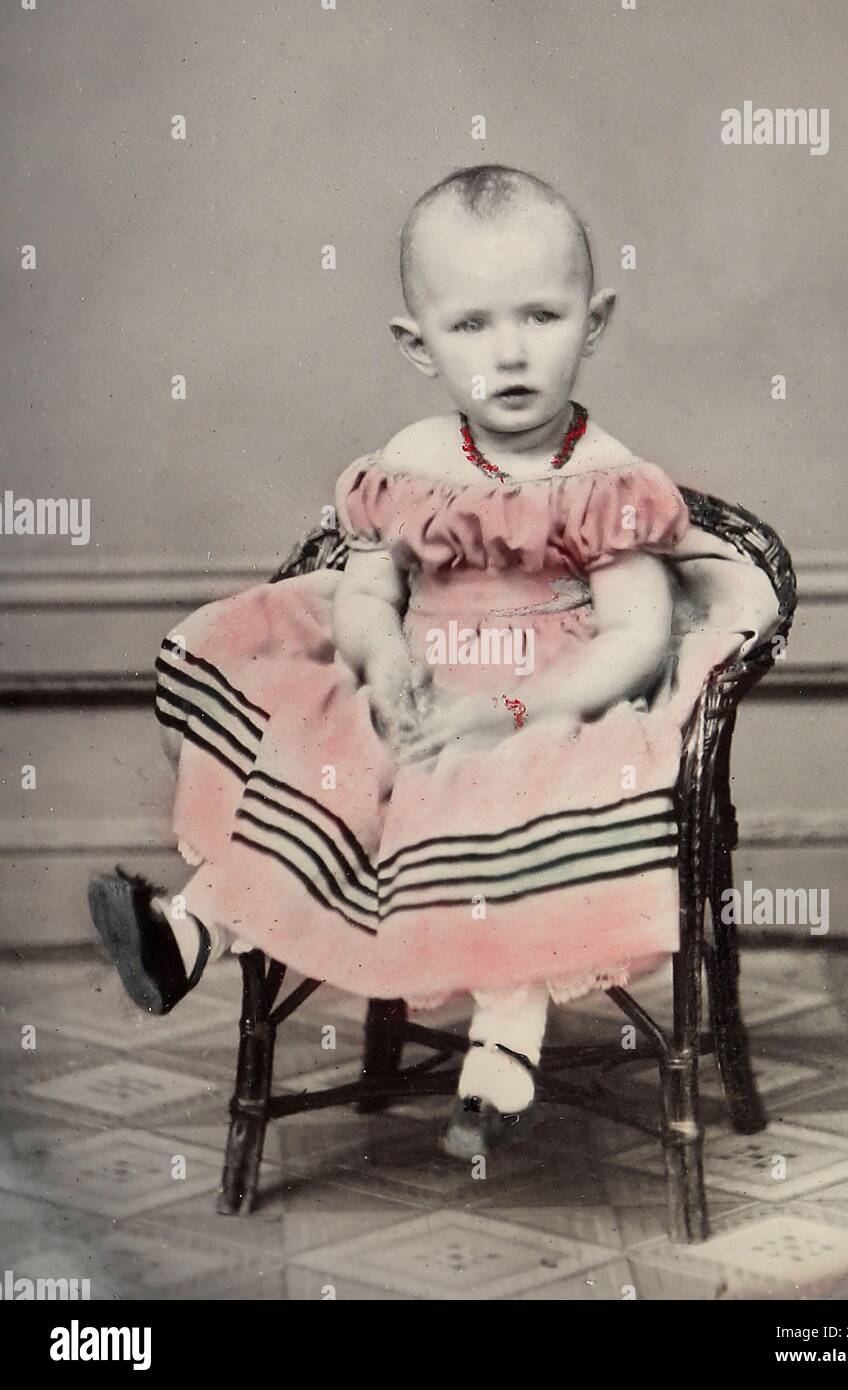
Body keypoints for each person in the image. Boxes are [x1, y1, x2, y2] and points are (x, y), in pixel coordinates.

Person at [88, 164, 696, 1160]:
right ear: (419, 345)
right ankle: (192, 927)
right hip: (418, 676)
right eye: (472, 326)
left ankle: (507, 1039)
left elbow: (636, 635)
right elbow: (370, 589)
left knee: (502, 797)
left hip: (539, 698)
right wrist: (377, 663)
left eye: (541, 316)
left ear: (594, 321)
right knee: (327, 760)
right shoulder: (412, 460)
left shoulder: (604, 478)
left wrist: (512, 704)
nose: (510, 352)